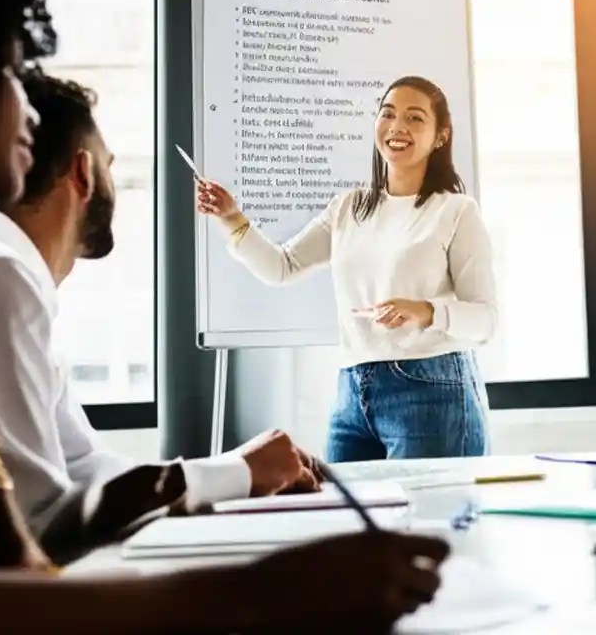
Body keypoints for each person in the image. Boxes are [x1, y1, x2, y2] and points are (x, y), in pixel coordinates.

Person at [0, 0, 445, 630]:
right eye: (6, 69)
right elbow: (42, 523)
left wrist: (236, 481)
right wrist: (250, 588)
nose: (27, 107)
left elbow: (32, 532)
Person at [0, 72, 322, 560]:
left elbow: (84, 467)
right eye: (110, 167)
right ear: (84, 173)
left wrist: (239, 468)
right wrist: (238, 474)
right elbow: (42, 520)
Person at [197, 76, 496, 462]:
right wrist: (232, 218)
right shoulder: (348, 208)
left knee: (425, 520)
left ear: (441, 136)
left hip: (433, 388)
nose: (397, 127)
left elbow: (486, 320)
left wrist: (426, 311)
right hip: (353, 390)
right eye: (387, 114)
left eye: (415, 118)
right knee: (345, 511)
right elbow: (282, 267)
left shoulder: (455, 211)